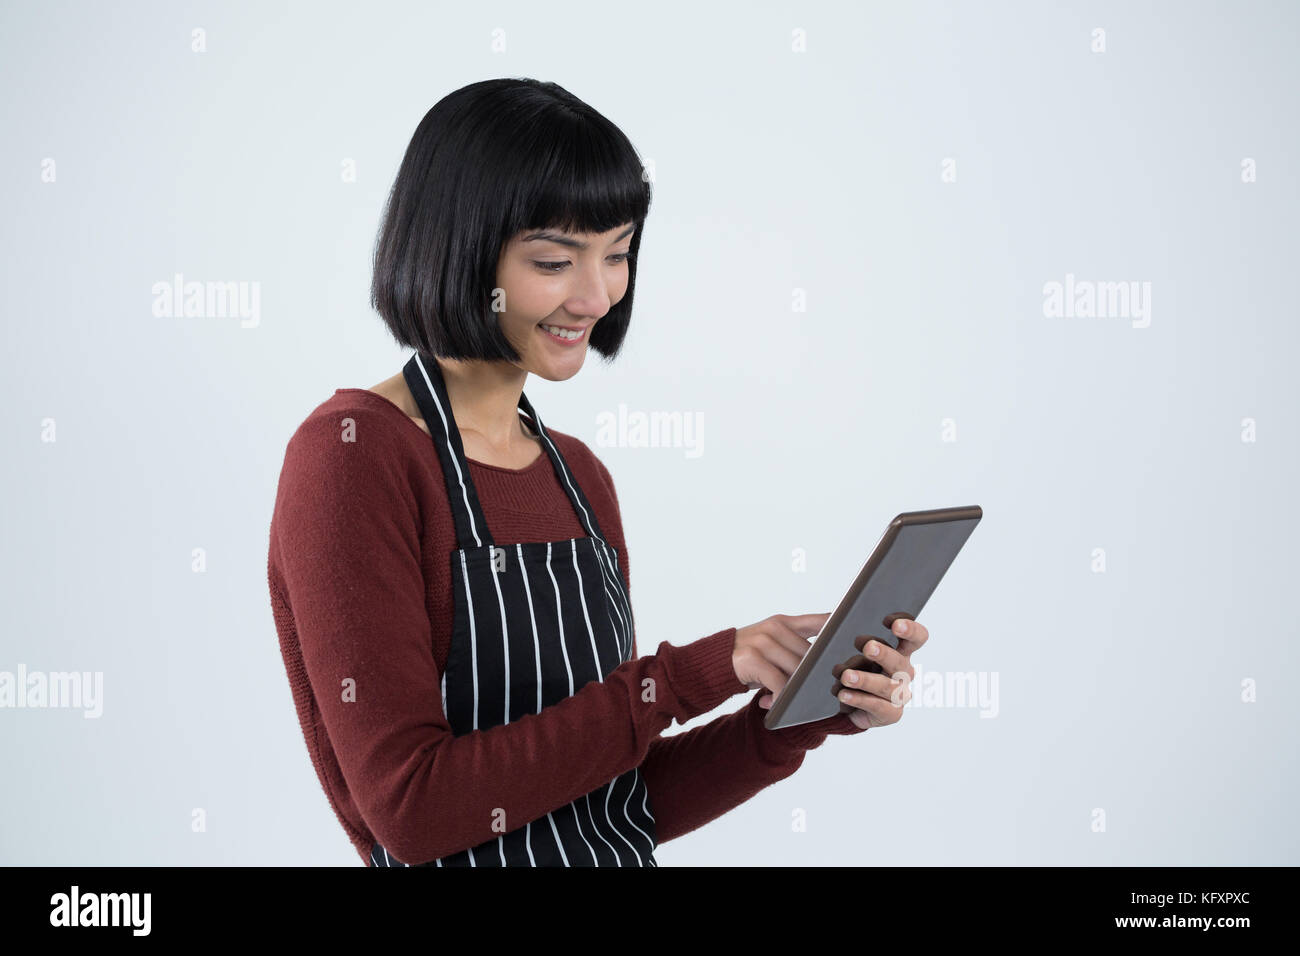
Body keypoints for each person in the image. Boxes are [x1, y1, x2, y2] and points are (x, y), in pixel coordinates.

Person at [266, 77, 927, 867]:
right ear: (459, 251)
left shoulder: (578, 476)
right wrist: (686, 678)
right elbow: (413, 810)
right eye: (554, 260)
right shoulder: (351, 456)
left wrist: (797, 713)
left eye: (617, 254)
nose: (596, 295)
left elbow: (618, 804)